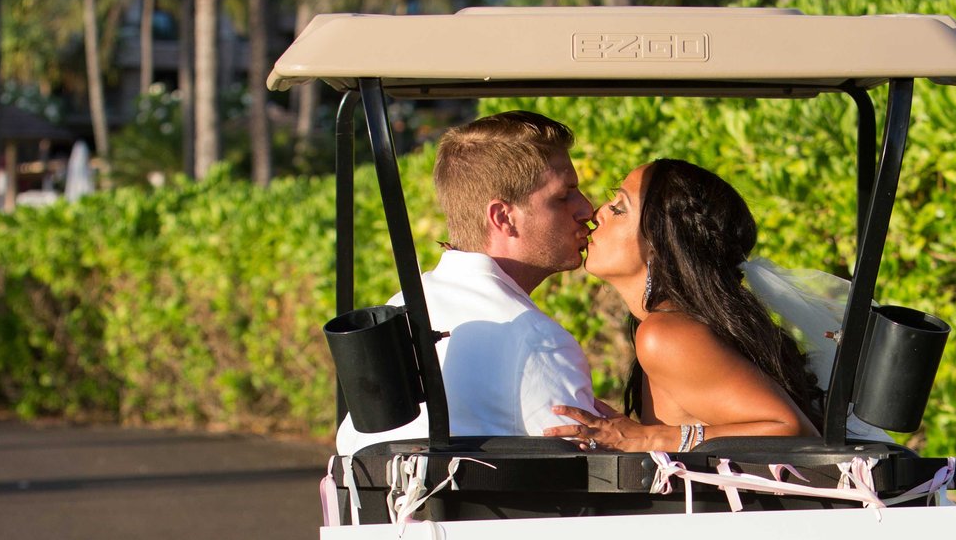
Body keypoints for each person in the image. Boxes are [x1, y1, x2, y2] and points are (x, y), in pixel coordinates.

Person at [336, 110, 596, 451]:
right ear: (503, 217)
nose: (587, 209)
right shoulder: (538, 341)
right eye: (563, 197)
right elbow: (590, 483)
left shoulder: (401, 307)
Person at [543, 159, 822, 453]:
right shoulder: (669, 325)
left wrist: (651, 438)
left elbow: (794, 431)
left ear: (658, 244)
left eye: (619, 209)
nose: (597, 214)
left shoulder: (665, 335)